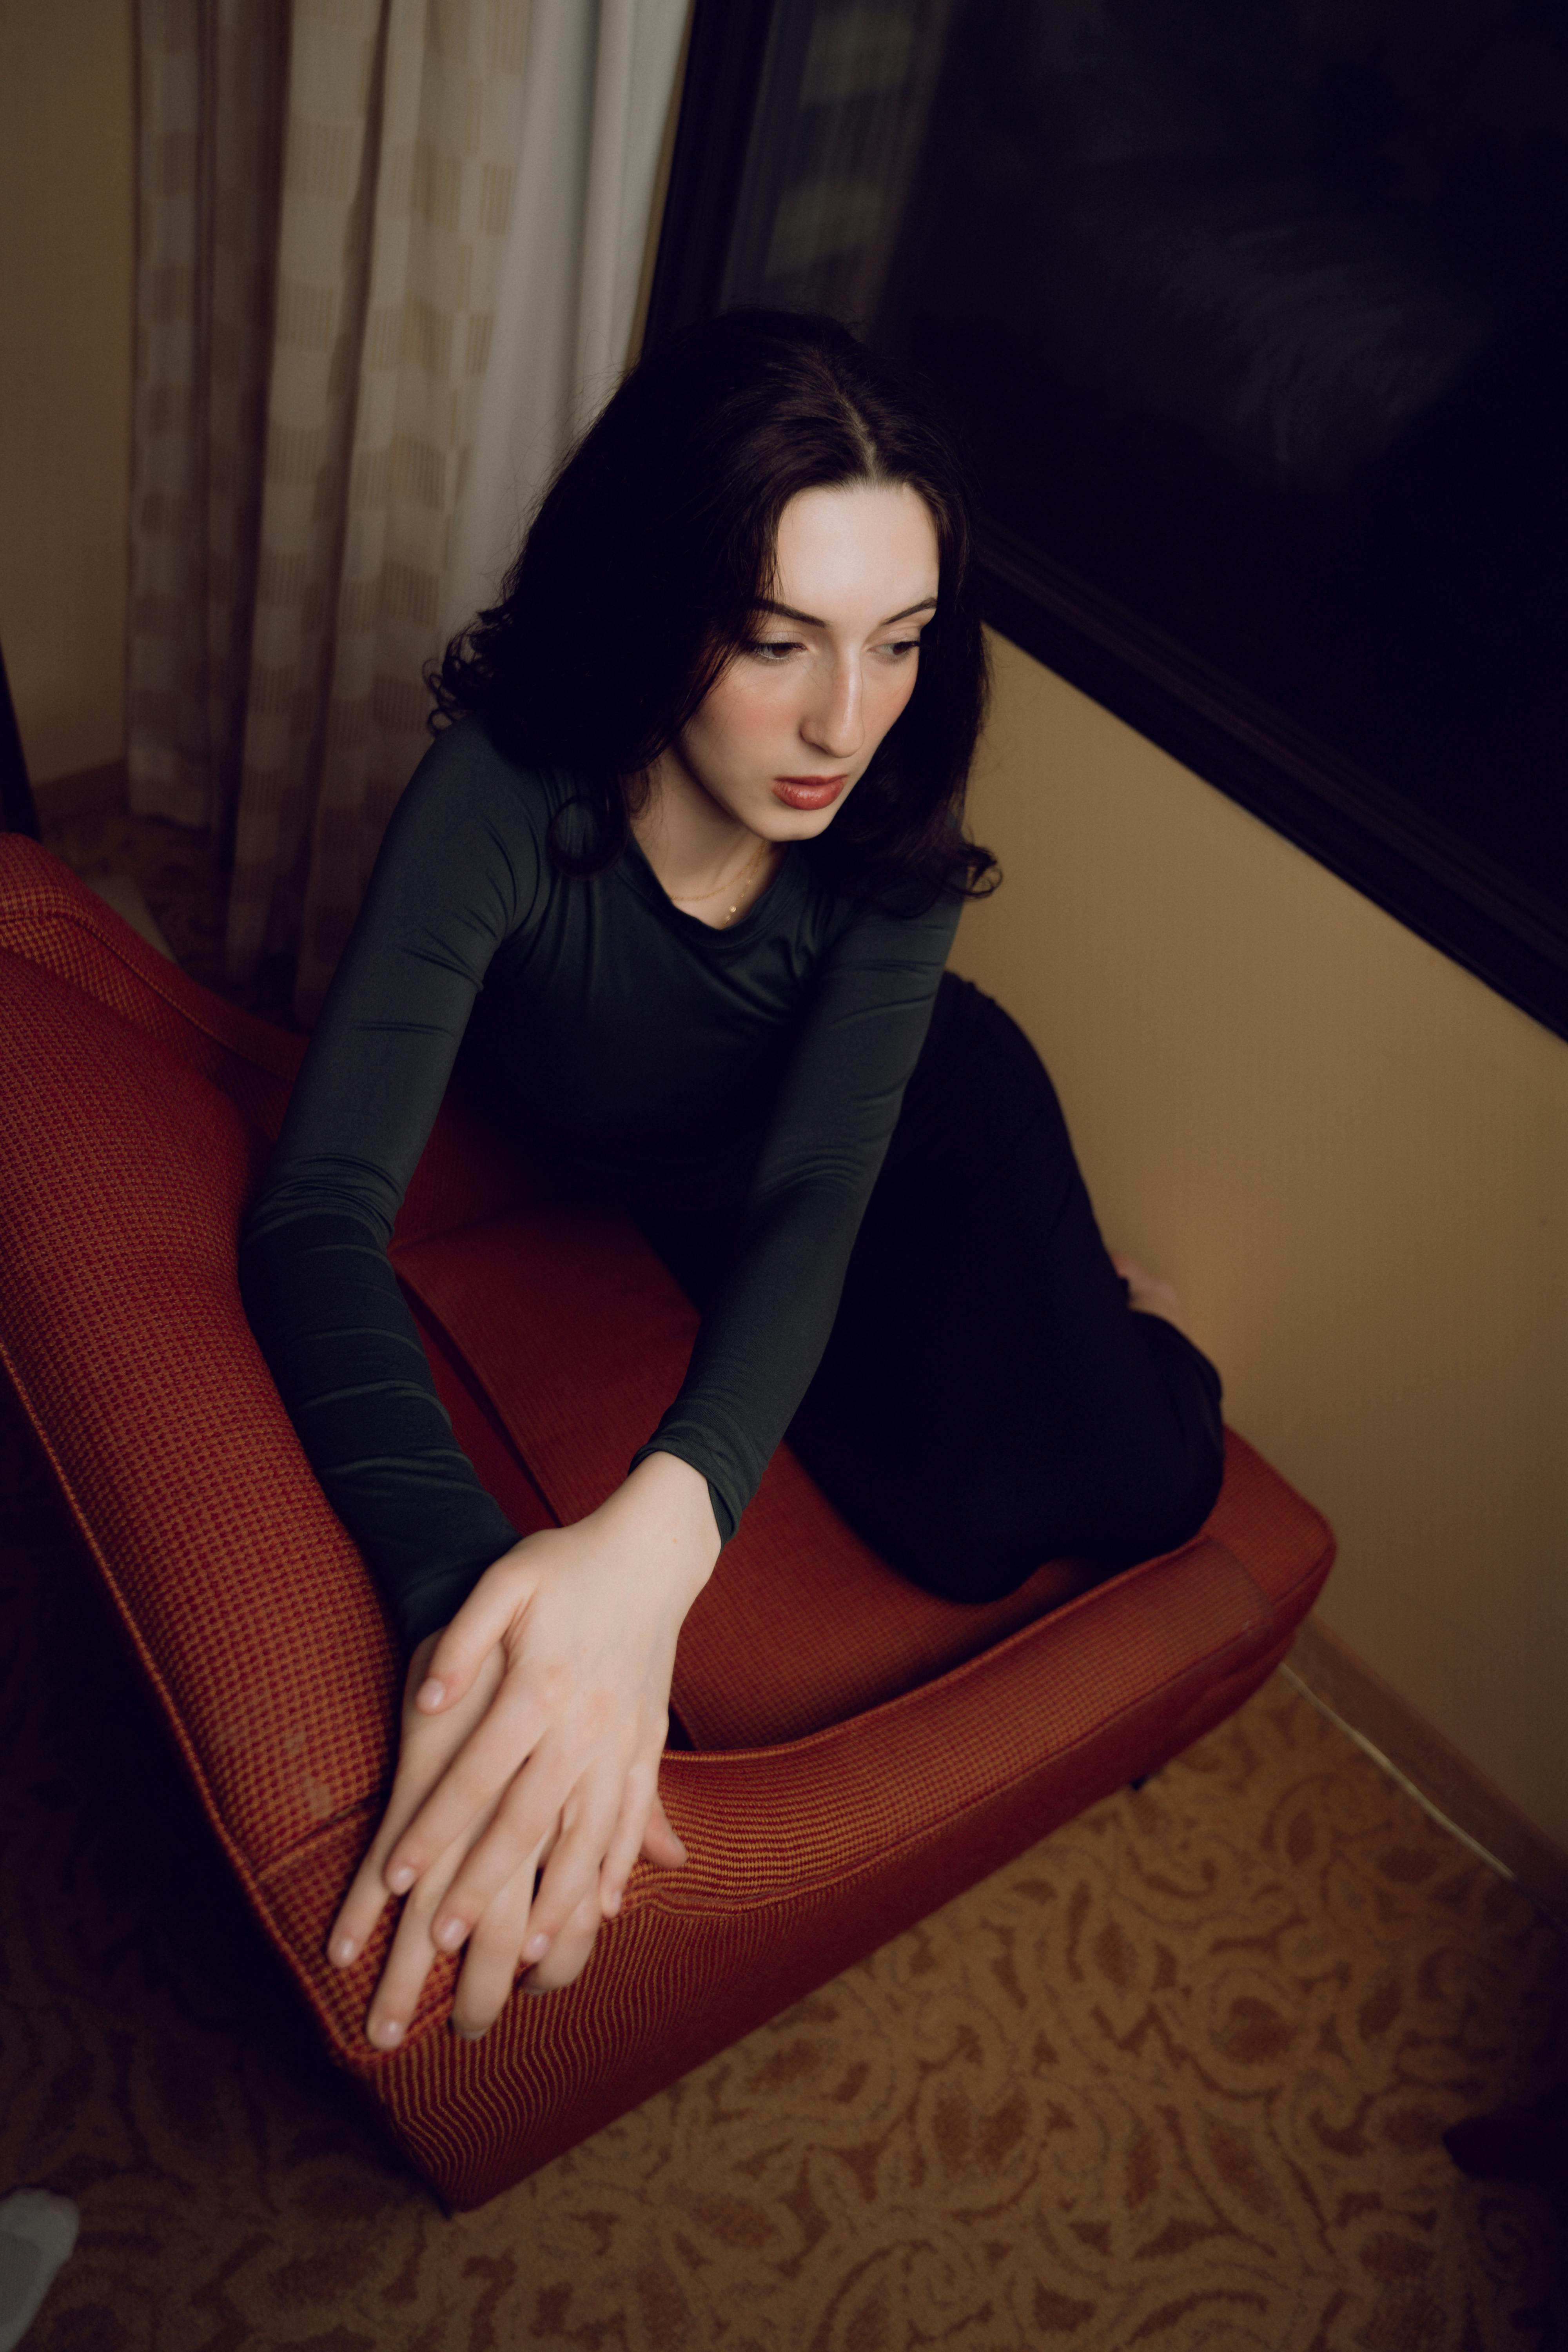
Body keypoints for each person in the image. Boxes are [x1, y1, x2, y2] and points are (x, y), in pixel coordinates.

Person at [239, 311, 1225, 2054]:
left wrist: (656, 1537)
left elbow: (814, 1197)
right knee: (943, 1515)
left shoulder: (889, 816)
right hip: (705, 1195)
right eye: (780, 642)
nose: (845, 721)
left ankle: (1141, 1337)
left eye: (901, 643)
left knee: (1128, 1491)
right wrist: (487, 1610)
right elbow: (319, 1212)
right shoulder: (502, 795)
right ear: (657, 603)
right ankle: (1065, 1317)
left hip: (921, 1128)